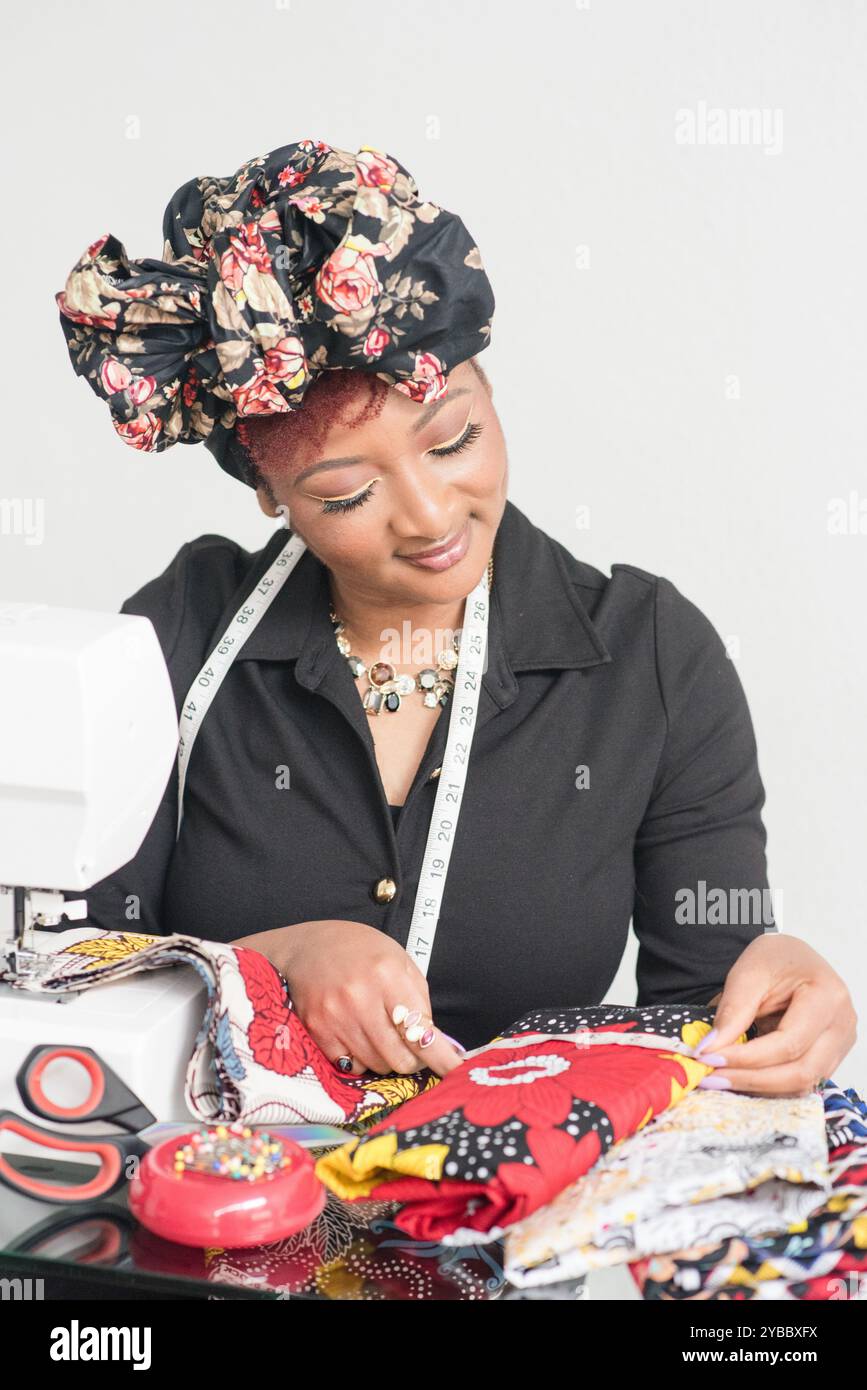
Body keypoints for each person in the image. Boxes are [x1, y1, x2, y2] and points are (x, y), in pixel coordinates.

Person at [55, 139, 857, 1095]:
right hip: (205, 1213)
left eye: (454, 440)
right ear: (269, 495)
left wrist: (775, 998)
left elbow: (694, 1034)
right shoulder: (183, 632)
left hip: (512, 1226)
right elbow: (59, 970)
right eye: (346, 495)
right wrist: (273, 963)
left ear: (487, 388)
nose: (431, 518)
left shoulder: (653, 658)